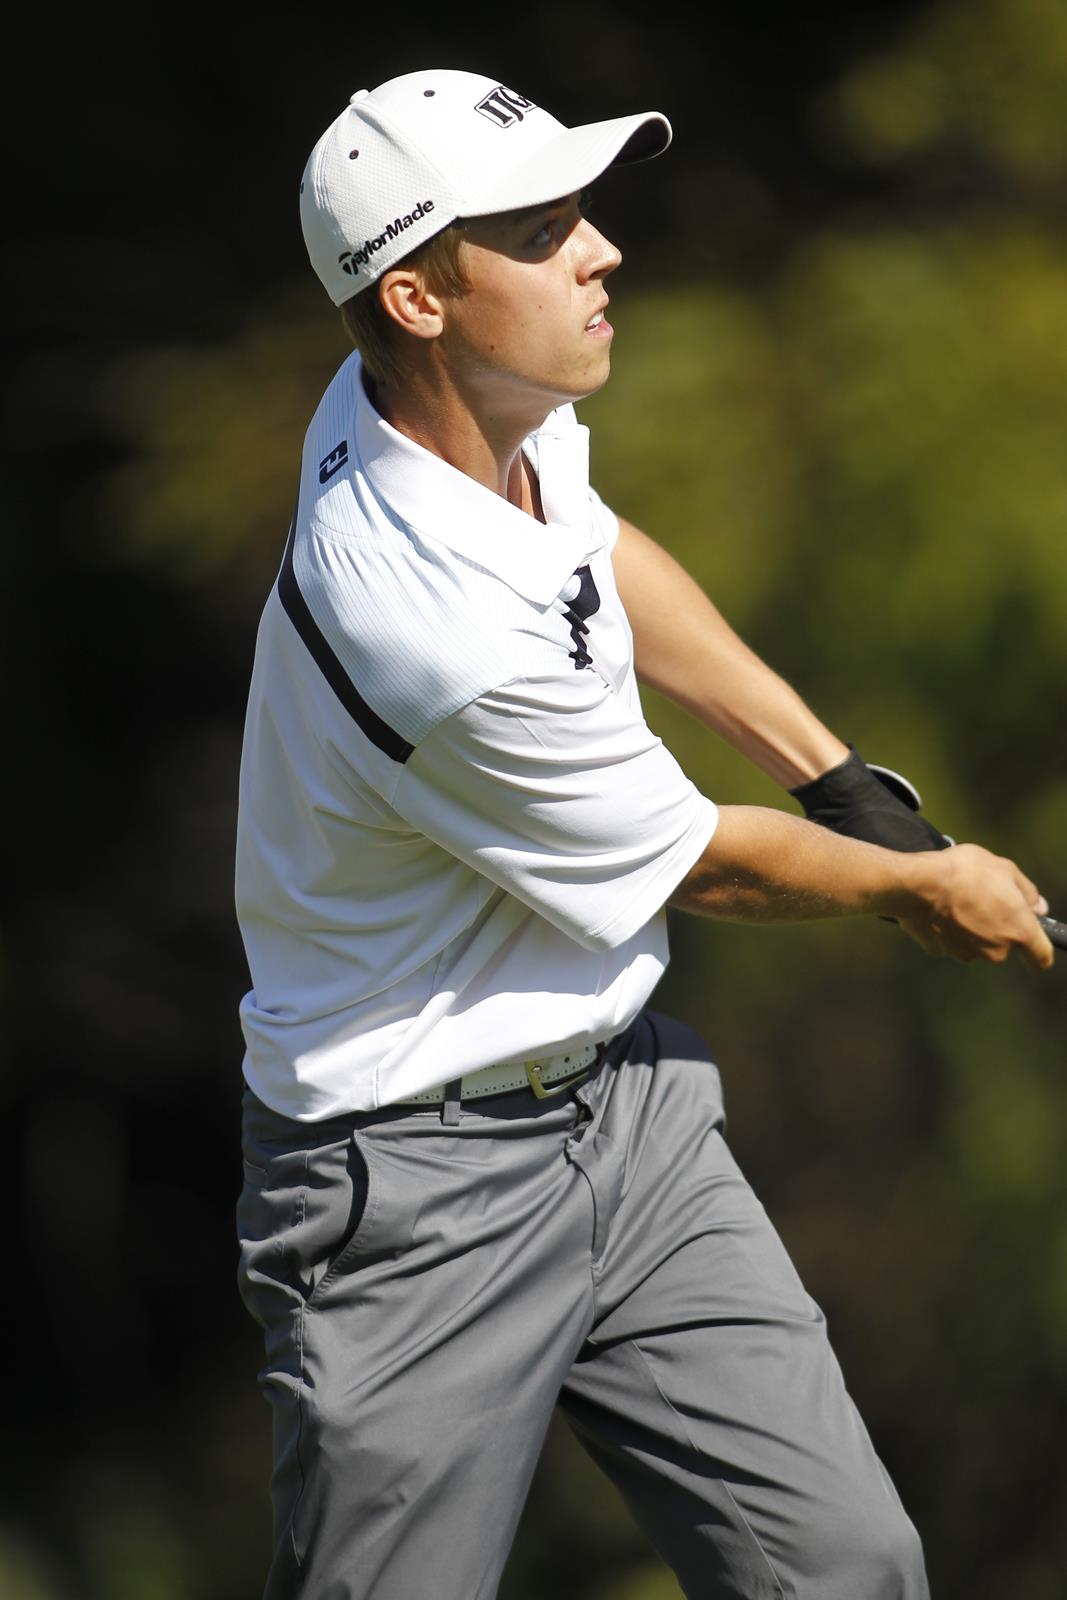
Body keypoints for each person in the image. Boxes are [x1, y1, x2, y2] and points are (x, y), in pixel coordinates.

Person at [234, 69, 1053, 1600]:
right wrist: (920, 885)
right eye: (541, 231)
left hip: (632, 1114)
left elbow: (597, 555)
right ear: (417, 297)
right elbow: (705, 869)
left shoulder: (453, 410)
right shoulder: (420, 620)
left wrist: (830, 771)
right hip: (410, 1189)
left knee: (848, 1567)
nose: (601, 249)